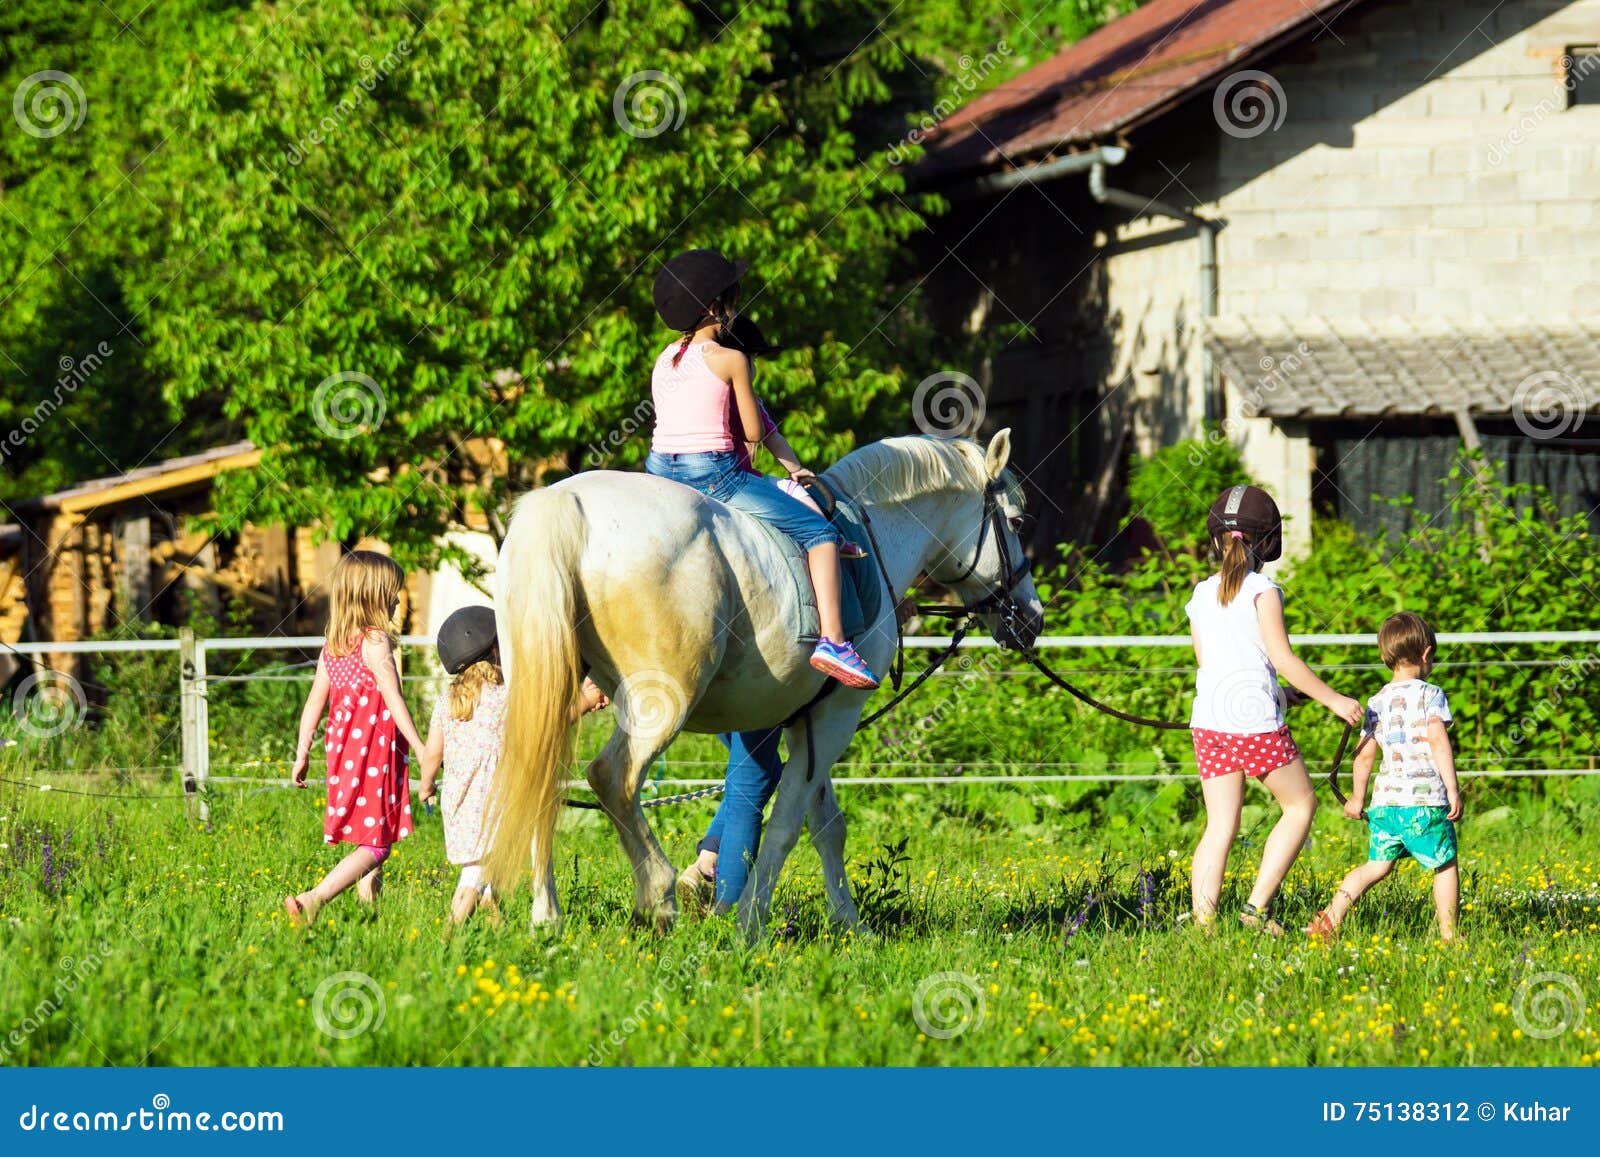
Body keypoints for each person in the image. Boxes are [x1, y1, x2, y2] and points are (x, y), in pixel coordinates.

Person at [646, 248, 879, 690]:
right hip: (713, 473)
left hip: (659, 470)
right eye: (731, 299)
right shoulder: (730, 359)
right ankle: (833, 641)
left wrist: (793, 466)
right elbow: (754, 431)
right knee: (820, 533)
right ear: (717, 307)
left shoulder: (664, 359)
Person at [1186, 484, 1364, 935]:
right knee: (1301, 806)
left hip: (1210, 721)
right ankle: (1254, 910)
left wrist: (1276, 693)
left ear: (1215, 540)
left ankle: (1203, 924)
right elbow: (1282, 659)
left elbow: (1210, 663)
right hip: (1256, 725)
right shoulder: (1264, 589)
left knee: (1220, 824)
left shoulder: (1200, 595)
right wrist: (1335, 701)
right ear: (1268, 543)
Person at [284, 551, 426, 926]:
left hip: (344, 751)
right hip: (374, 753)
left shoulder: (334, 643)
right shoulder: (376, 642)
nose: (397, 600)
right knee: (378, 845)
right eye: (392, 592)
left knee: (371, 835)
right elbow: (394, 700)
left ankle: (369, 917)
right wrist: (423, 748)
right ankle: (313, 899)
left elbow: (315, 701)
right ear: (373, 596)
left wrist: (302, 753)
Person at [1306, 612, 1462, 943]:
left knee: (1376, 867)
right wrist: (1452, 788)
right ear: (1426, 653)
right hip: (1424, 804)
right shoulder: (1430, 695)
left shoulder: (1377, 701)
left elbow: (1364, 754)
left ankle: (1329, 920)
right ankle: (1450, 937)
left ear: (1384, 657)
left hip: (1386, 805)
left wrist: (1357, 798)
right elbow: (1437, 739)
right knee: (1445, 864)